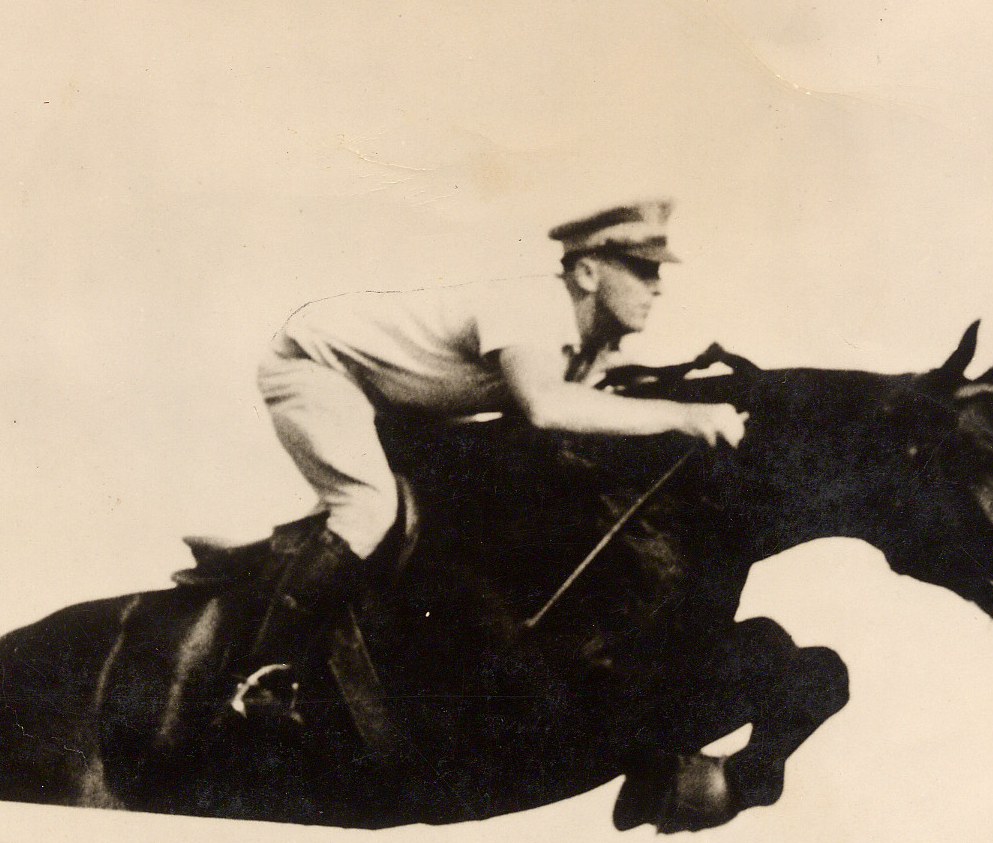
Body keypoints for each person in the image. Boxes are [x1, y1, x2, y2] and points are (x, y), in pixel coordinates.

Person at [239, 200, 749, 691]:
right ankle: (260, 676)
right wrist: (685, 416)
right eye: (642, 270)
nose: (656, 288)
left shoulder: (594, 348)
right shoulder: (532, 305)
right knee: (368, 510)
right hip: (318, 367)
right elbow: (547, 408)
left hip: (396, 396)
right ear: (589, 274)